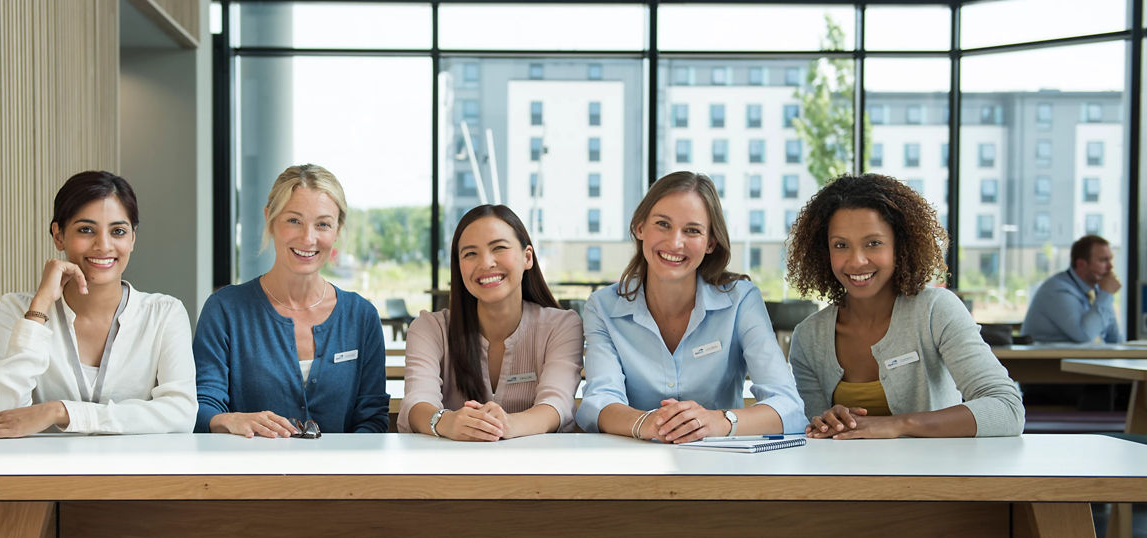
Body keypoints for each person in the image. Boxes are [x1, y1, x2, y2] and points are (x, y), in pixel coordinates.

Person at [785, 173, 1024, 439]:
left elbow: (1008, 410)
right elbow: (812, 434)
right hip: (846, 479)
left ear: (901, 246)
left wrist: (901, 424)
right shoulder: (809, 337)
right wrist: (825, 422)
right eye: (840, 245)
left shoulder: (936, 311)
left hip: (936, 476)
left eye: (873, 243)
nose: (856, 261)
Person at [577, 172, 807, 443]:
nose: (675, 242)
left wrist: (717, 421)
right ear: (640, 228)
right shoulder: (602, 307)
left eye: (692, 230)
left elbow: (789, 407)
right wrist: (647, 423)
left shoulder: (741, 300)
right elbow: (599, 402)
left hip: (723, 468)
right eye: (663, 224)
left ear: (710, 243)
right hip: (634, 465)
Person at [0, 171, 196, 438]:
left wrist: (61, 412)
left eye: (118, 231)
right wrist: (40, 306)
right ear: (58, 235)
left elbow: (181, 414)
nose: (103, 245)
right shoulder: (17, 310)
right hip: (40, 476)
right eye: (86, 230)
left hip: (133, 476)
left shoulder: (164, 314)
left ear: (132, 238)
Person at [194, 164, 388, 437]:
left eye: (322, 224)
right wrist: (228, 420)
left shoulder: (361, 316)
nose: (308, 238)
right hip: (250, 474)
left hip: (340, 476)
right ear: (270, 219)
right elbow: (203, 408)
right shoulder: (225, 310)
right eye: (294, 220)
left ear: (337, 229)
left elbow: (373, 419)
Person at [399, 205, 583, 441]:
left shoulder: (562, 325)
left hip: (538, 468)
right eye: (470, 254)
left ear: (527, 257)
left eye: (499, 248)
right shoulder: (429, 328)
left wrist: (507, 425)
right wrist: (447, 422)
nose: (486, 263)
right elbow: (416, 402)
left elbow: (556, 405)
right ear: (459, 266)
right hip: (450, 470)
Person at [1021, 234, 1122, 344]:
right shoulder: (1057, 290)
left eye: (1110, 260)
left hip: (1082, 358)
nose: (1110, 267)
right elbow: (1084, 335)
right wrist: (1106, 294)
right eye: (1103, 260)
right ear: (1081, 264)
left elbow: (1114, 338)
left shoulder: (1097, 292)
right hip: (1047, 359)